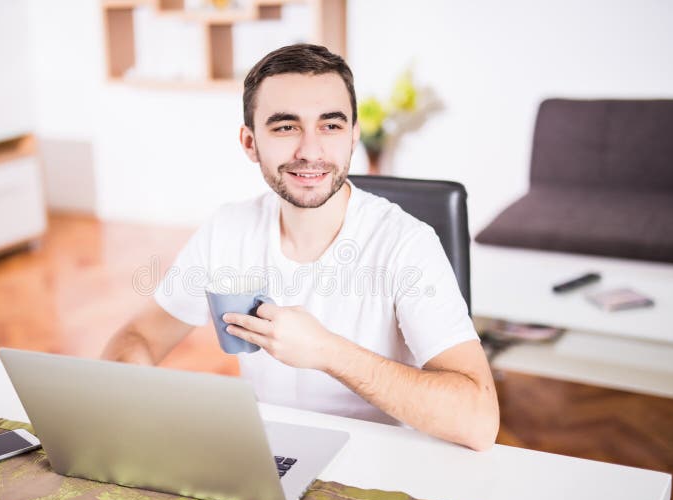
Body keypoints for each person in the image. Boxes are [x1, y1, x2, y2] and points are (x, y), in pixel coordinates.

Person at [101, 44, 499, 451]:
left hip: (378, 468)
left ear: (353, 136)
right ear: (250, 142)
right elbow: (140, 337)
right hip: (267, 459)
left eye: (330, 126)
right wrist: (133, 403)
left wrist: (327, 352)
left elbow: (479, 421)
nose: (310, 151)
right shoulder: (227, 230)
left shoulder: (407, 244)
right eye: (286, 127)